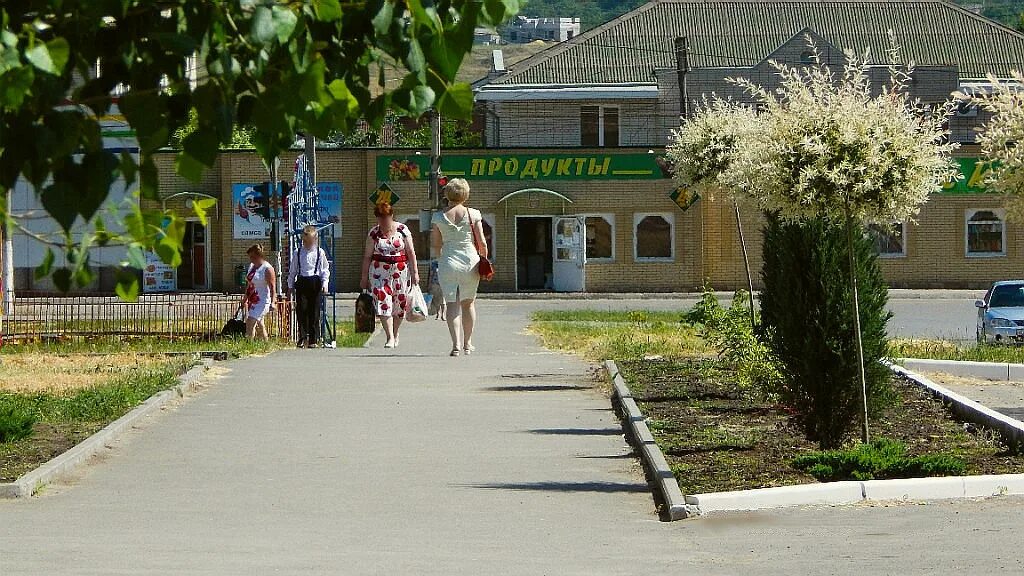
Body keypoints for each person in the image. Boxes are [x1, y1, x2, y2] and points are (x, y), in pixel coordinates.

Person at [431, 178, 486, 357]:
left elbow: (435, 244)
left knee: (452, 303)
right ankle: (468, 343)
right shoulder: (473, 214)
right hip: (470, 261)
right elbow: (482, 242)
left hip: (448, 260)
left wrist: (441, 257)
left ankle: (455, 345)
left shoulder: (438, 217)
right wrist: (484, 259)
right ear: (466, 194)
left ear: (447, 194)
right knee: (468, 303)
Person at [360, 202, 420, 348]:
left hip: (400, 273)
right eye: (380, 218)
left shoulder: (402, 230)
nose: (383, 221)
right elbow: (367, 256)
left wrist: (415, 273)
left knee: (399, 305)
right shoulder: (374, 233)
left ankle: (396, 332)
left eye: (385, 218)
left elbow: (411, 253)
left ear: (391, 216)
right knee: (383, 302)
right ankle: (390, 337)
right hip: (379, 273)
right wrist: (364, 277)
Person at [288, 225, 331, 348]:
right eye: (305, 241)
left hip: (315, 282)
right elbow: (293, 271)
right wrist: (290, 286)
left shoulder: (320, 252)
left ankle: (313, 339)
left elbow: (325, 270)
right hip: (302, 281)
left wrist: (325, 284)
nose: (307, 244)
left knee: (314, 311)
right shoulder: (298, 252)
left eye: (310, 241)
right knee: (301, 309)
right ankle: (302, 336)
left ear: (315, 239)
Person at [240, 243, 277, 341]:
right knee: (261, 324)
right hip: (253, 299)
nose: (251, 259)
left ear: (259, 256)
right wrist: (244, 299)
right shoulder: (252, 266)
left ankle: (248, 345)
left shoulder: (267, 269)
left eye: (253, 257)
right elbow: (249, 284)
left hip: (263, 301)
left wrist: (273, 302)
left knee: (250, 322)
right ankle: (266, 344)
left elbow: (273, 288)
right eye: (250, 257)